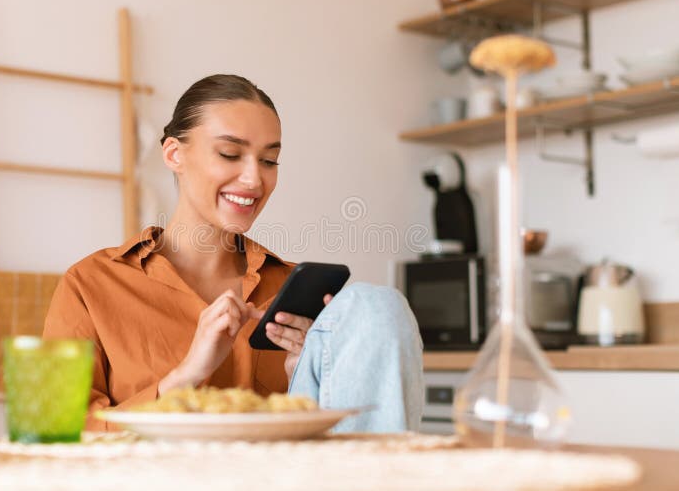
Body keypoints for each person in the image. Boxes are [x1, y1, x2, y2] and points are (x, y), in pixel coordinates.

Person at [43, 74, 424, 432]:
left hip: (284, 478)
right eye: (229, 154)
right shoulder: (91, 283)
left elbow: (340, 431)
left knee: (375, 306)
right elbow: (57, 432)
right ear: (174, 154)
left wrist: (308, 380)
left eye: (269, 160)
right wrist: (185, 376)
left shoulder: (297, 293)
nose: (254, 179)